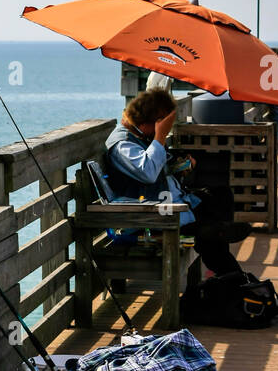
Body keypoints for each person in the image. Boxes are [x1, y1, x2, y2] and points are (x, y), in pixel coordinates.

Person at [103, 89, 252, 277]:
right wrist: (160, 137)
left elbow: (159, 169)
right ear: (147, 122)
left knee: (221, 195)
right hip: (150, 216)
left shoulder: (142, 136)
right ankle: (232, 274)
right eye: (161, 124)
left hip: (171, 203)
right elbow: (148, 172)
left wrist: (180, 166)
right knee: (208, 239)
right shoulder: (122, 145)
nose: (163, 130)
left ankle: (220, 242)